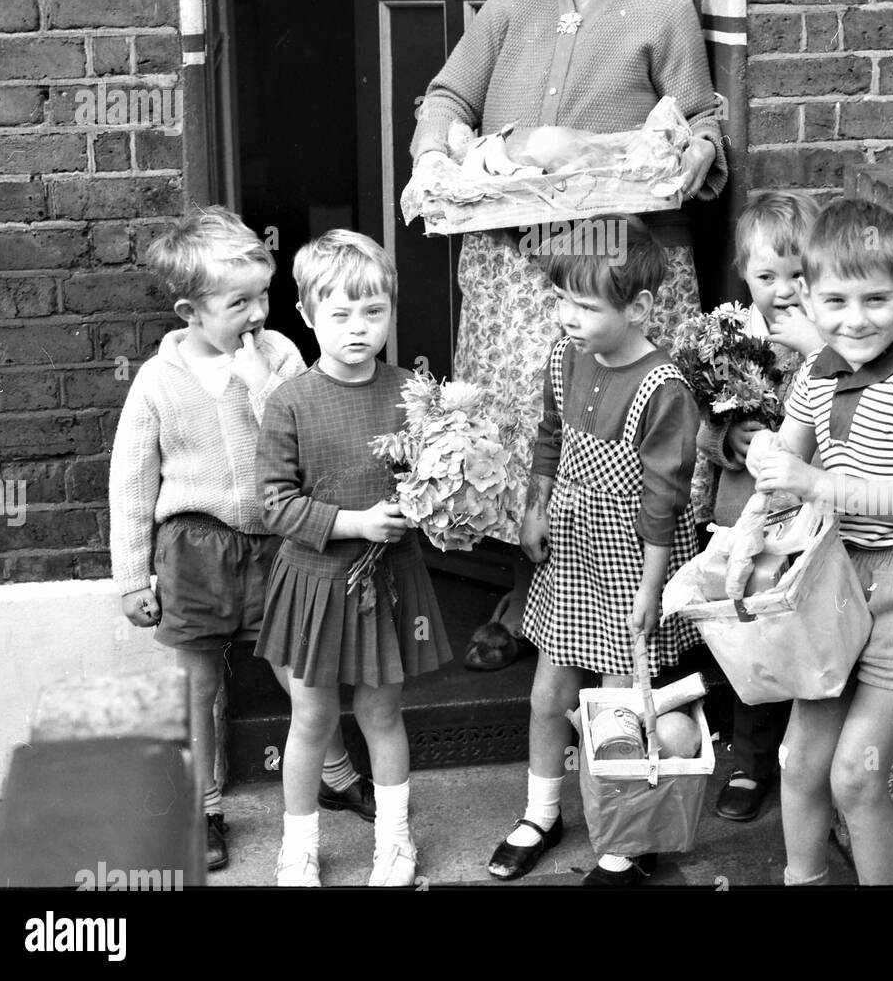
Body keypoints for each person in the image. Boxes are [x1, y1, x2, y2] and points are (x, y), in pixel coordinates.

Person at [410, 0, 726, 670]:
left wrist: (699, 146)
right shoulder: (512, 3)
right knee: (527, 423)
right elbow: (447, 97)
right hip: (517, 266)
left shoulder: (663, 6)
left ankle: (633, 600)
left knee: (618, 429)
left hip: (613, 265)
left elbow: (699, 114)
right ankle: (528, 593)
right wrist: (433, 155)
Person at [109, 207, 371, 875]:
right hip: (192, 551)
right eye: (238, 303)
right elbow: (133, 483)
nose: (258, 312)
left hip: (278, 547)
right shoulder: (157, 380)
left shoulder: (281, 356)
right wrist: (132, 577)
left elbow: (308, 437)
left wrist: (263, 388)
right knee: (195, 689)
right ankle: (201, 805)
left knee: (305, 675)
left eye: (263, 296)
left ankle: (335, 774)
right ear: (190, 311)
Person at [745, 197, 893, 886]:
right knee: (801, 760)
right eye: (837, 300)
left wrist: (810, 482)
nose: (856, 318)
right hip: (839, 577)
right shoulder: (820, 373)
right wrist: (758, 501)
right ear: (809, 299)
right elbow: (785, 467)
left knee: (855, 775)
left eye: (876, 298)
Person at [486, 218, 700, 888]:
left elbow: (664, 500)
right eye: (560, 302)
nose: (566, 318)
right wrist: (533, 507)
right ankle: (542, 810)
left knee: (616, 711)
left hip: (636, 558)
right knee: (550, 692)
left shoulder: (663, 388)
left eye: (584, 306)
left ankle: (622, 844)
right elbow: (549, 438)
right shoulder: (565, 357)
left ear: (636, 309)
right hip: (573, 551)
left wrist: (651, 590)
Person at [254, 230, 452, 887]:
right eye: (338, 314)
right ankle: (299, 846)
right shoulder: (289, 401)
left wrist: (434, 502)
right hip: (314, 581)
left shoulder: (412, 391)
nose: (358, 328)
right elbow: (275, 506)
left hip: (388, 582)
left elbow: (437, 480)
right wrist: (354, 521)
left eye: (373, 311)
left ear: (391, 309)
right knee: (311, 715)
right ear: (307, 316)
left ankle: (394, 842)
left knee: (381, 713)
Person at [695, 190, 823, 824]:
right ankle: (746, 758)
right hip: (736, 516)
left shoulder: (825, 341)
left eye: (797, 275)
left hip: (796, 524)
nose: (782, 289)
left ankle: (796, 758)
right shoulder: (730, 339)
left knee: (796, 636)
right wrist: (729, 438)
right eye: (766, 275)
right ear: (744, 272)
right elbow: (702, 433)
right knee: (747, 637)